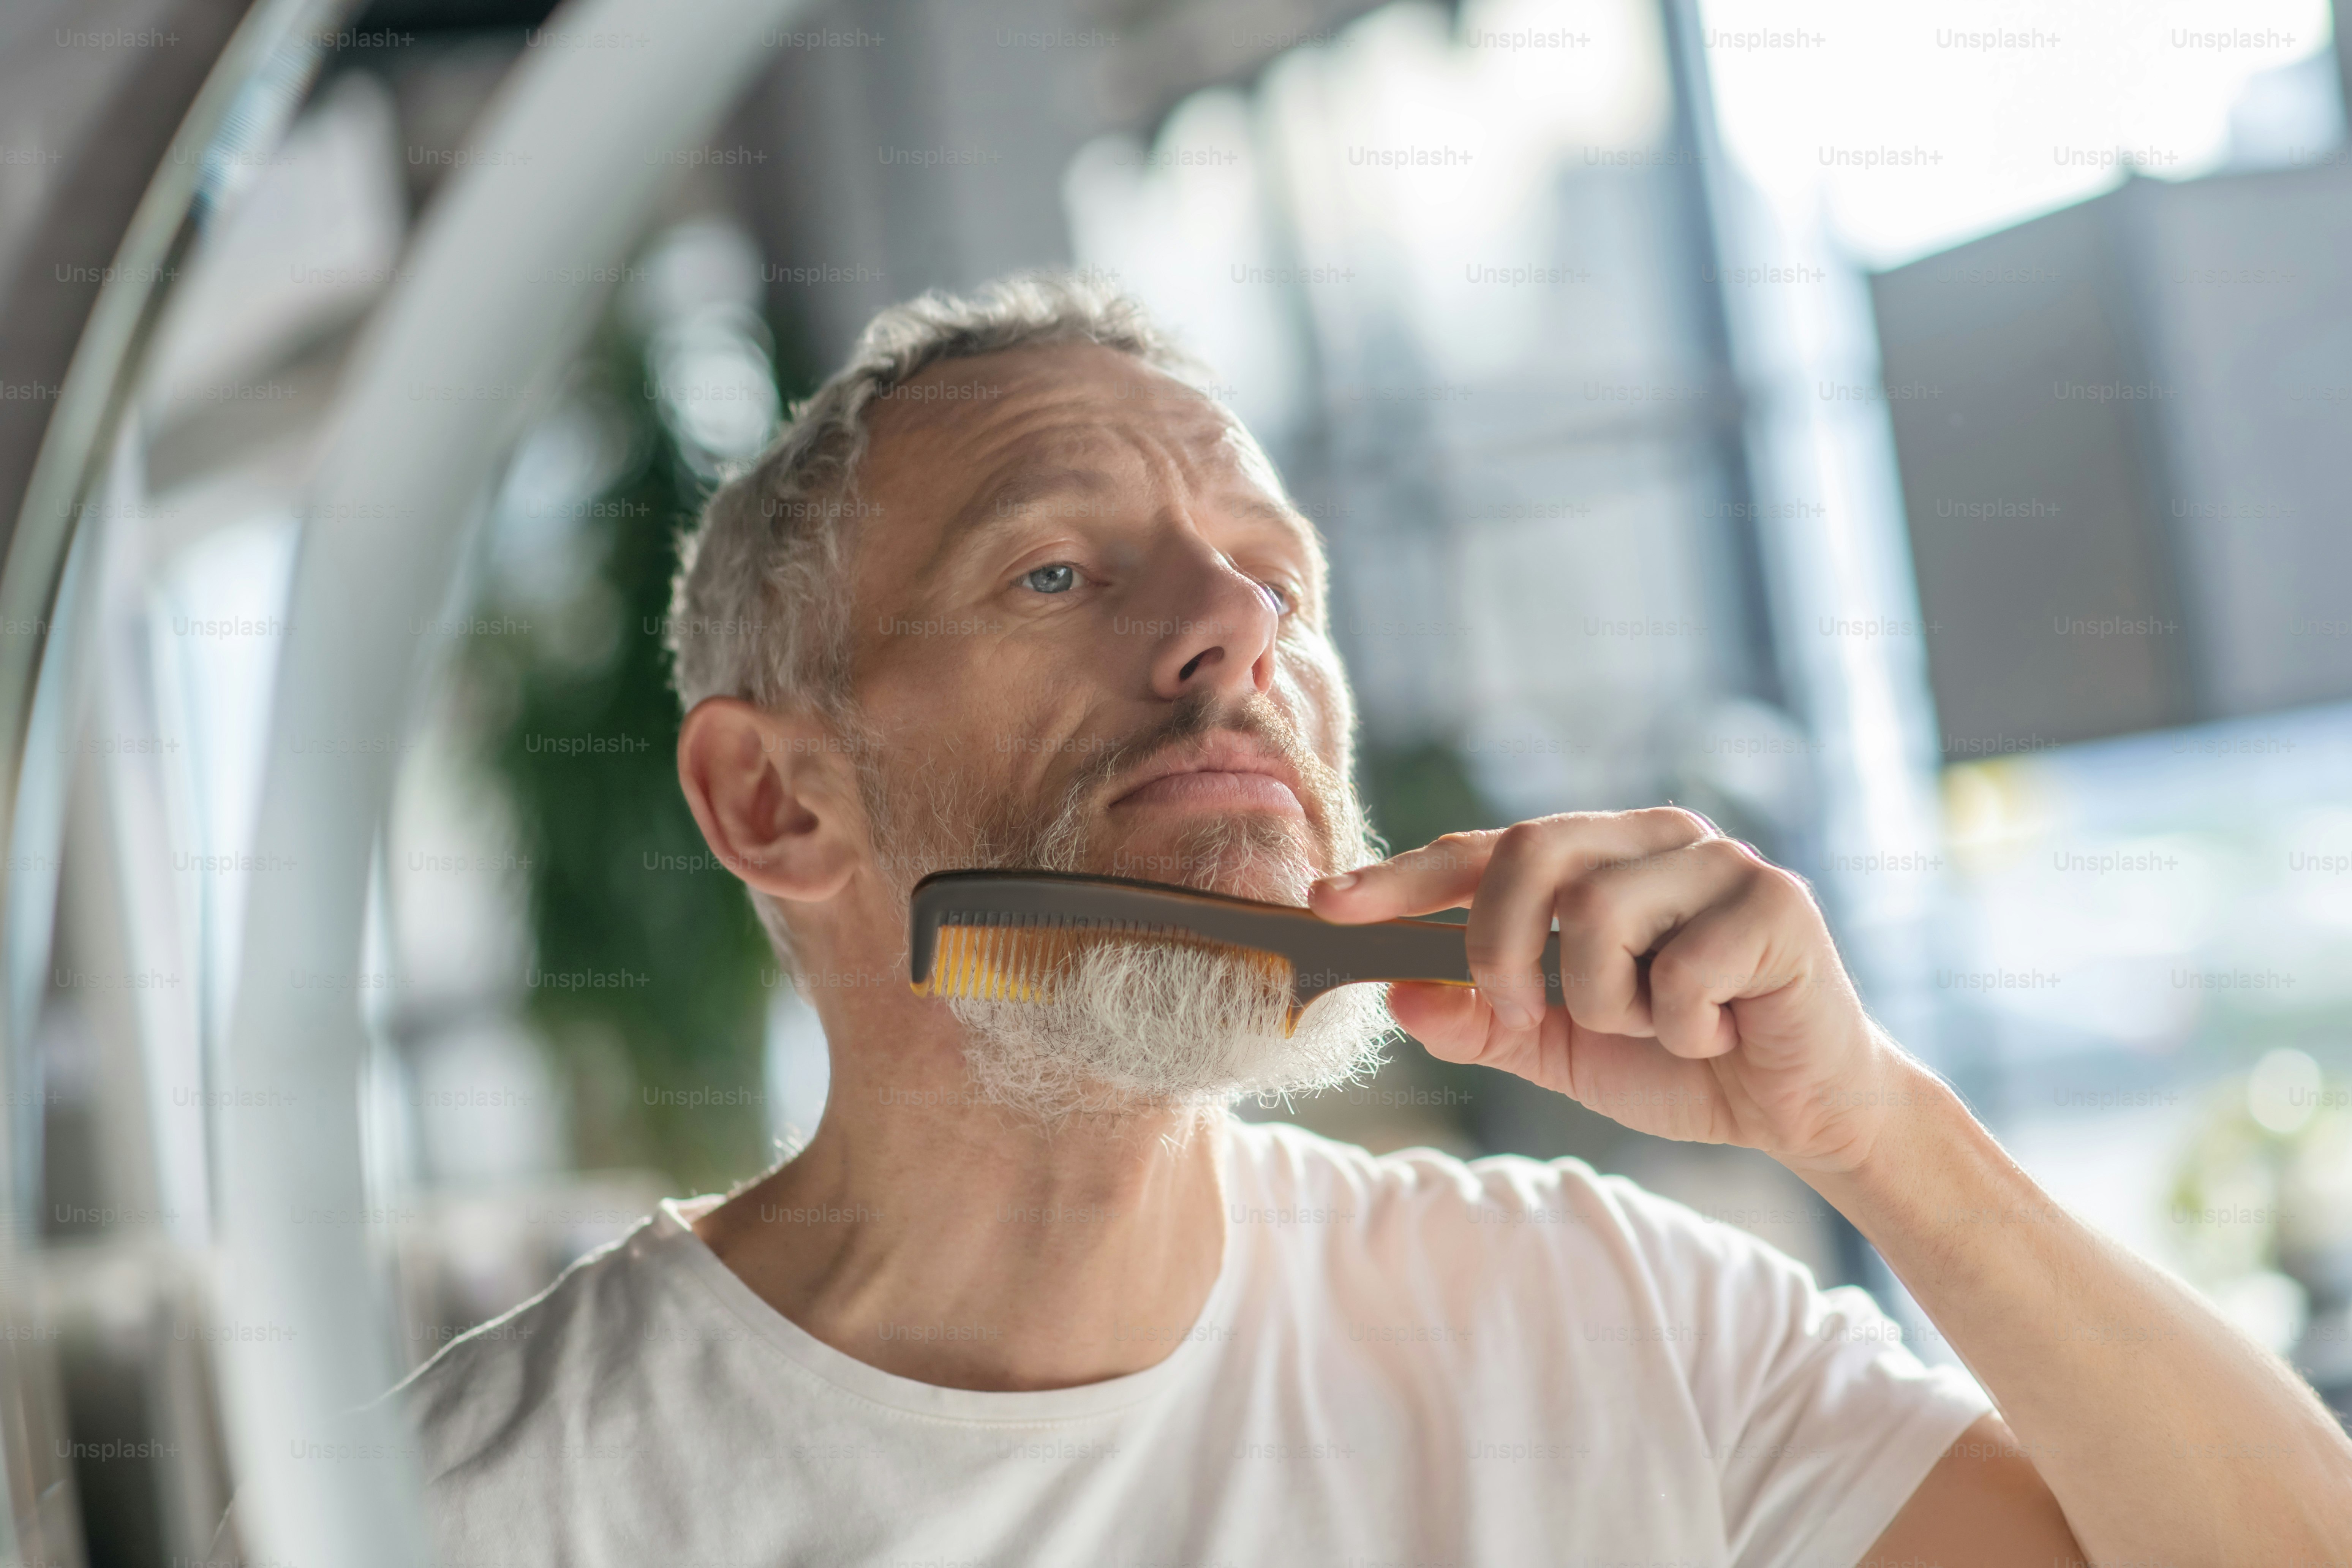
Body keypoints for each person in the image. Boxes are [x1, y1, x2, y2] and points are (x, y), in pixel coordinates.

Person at [388, 273, 2351, 1565]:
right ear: (774, 799)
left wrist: (1869, 1132)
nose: (1240, 628)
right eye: (1060, 572)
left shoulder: (1604, 1322)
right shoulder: (466, 1509)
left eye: (1278, 579)